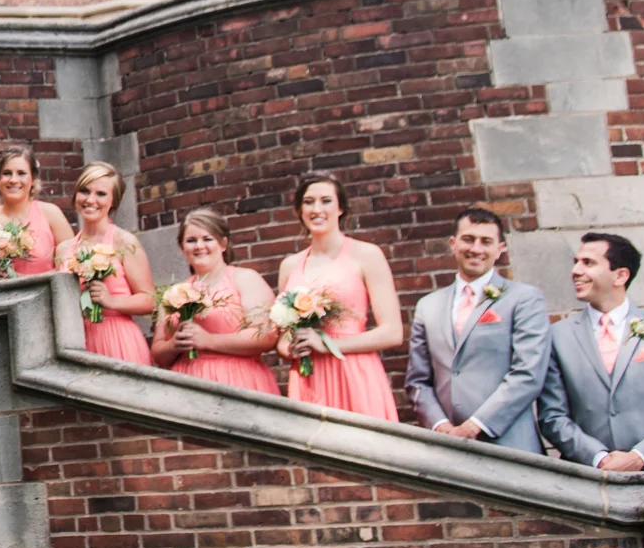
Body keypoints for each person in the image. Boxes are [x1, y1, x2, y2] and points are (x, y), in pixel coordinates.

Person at [537, 232, 644, 471]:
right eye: (576, 262)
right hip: (587, 478)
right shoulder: (557, 336)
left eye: (588, 263)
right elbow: (552, 416)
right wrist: (598, 458)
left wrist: (639, 458)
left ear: (620, 275)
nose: (575, 270)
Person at [402, 206, 553, 452]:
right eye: (468, 239)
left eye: (486, 241)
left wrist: (475, 425)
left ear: (499, 249)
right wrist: (440, 426)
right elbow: (418, 380)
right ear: (453, 243)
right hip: (448, 446)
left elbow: (528, 374)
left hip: (510, 444)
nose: (476, 249)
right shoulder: (428, 306)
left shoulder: (524, 299)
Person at [274, 173, 404, 421]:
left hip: (353, 370)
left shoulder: (367, 255)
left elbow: (392, 332)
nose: (317, 209)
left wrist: (327, 345)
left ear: (340, 208)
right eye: (309, 202)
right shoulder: (289, 266)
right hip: (308, 376)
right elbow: (281, 338)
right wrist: (291, 347)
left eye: (325, 201)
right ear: (300, 211)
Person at [149, 208, 281, 397]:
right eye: (191, 240)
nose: (199, 246)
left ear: (223, 244)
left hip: (238, 380)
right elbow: (158, 352)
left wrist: (208, 340)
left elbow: (266, 336)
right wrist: (174, 345)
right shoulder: (175, 293)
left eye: (207, 239)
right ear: (182, 248)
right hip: (188, 383)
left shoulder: (245, 279)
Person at [66, 161, 155, 361]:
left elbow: (150, 300)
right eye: (84, 191)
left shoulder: (124, 242)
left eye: (101, 194)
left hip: (117, 339)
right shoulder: (65, 249)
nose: (90, 200)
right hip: (78, 342)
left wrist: (111, 301)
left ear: (113, 200)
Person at [0, 145, 73, 279]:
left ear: (33, 179)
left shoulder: (51, 214)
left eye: (21, 173)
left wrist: (21, 279)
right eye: (6, 173)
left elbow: (69, 268)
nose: (13, 180)